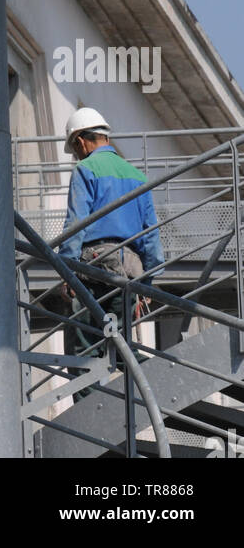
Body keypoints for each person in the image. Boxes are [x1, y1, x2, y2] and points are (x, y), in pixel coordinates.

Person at [57, 109, 164, 376]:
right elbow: (150, 234)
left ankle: (86, 415)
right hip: (128, 270)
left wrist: (67, 272)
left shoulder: (85, 169)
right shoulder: (137, 176)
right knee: (122, 345)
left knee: (83, 350)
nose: (77, 156)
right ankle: (160, 380)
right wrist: (146, 282)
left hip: (95, 268)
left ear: (81, 141)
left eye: (75, 149)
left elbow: (75, 224)